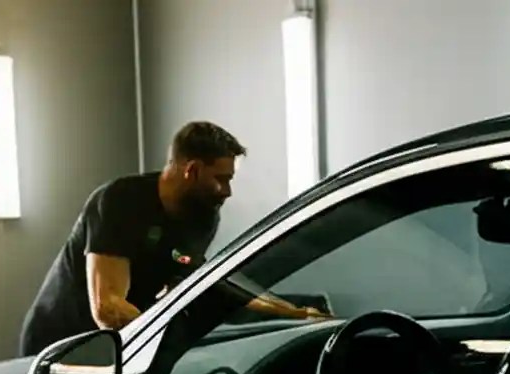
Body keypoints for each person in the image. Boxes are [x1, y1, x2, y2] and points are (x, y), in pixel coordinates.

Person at [18, 120, 327, 357]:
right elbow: (109, 309)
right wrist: (162, 349)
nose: (227, 191)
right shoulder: (120, 200)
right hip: (58, 344)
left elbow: (200, 282)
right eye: (221, 179)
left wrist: (293, 313)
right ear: (192, 170)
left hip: (118, 344)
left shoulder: (203, 217)